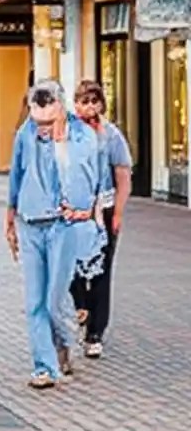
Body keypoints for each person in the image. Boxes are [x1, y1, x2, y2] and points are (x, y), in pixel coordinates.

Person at [6, 79, 103, 389]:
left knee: (53, 301)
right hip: (31, 221)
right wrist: (10, 216)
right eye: (37, 121)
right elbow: (16, 175)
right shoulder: (26, 134)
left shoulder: (84, 137)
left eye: (48, 121)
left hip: (64, 225)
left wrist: (85, 211)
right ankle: (44, 366)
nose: (42, 128)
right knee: (34, 300)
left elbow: (93, 181)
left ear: (61, 108)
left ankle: (61, 342)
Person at [69, 80, 131, 359]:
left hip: (102, 208)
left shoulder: (111, 135)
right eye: (84, 101)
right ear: (76, 104)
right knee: (71, 266)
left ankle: (95, 331)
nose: (90, 106)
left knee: (102, 270)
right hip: (72, 209)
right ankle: (81, 308)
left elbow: (122, 174)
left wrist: (117, 212)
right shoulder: (66, 131)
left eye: (95, 101)